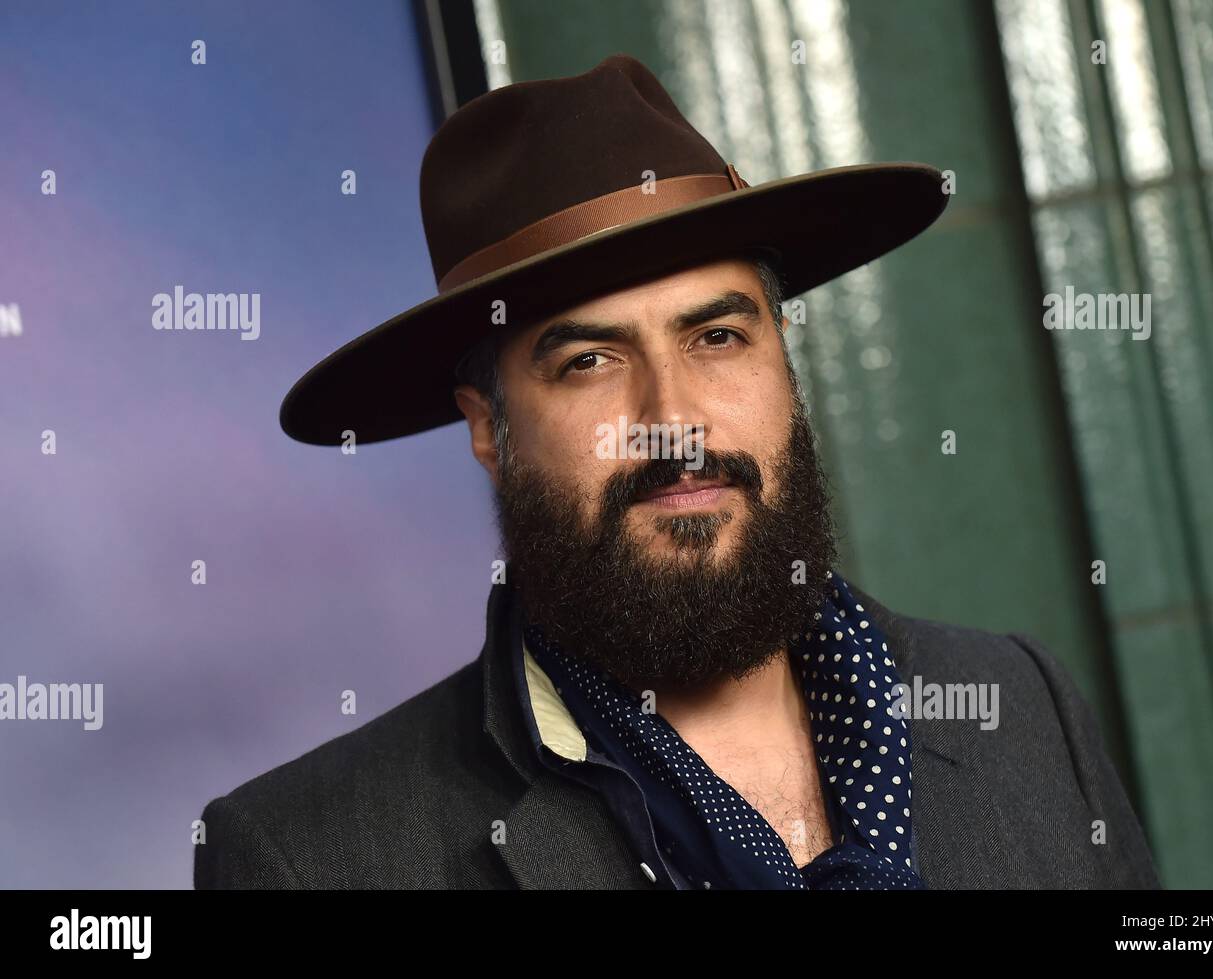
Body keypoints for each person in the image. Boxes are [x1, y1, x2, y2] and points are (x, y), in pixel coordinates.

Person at [195, 53, 1160, 890]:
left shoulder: (1018, 704)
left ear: (782, 357)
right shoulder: (311, 857)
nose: (674, 421)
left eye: (718, 335)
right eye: (589, 362)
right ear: (488, 428)